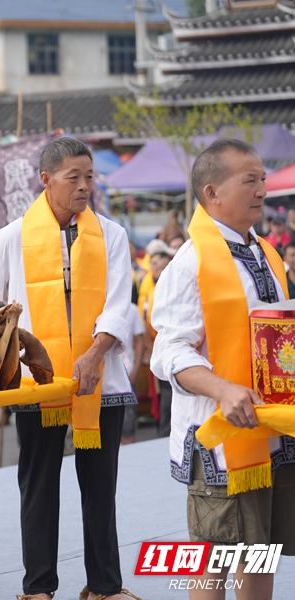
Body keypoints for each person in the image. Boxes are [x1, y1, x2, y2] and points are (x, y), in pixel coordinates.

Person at [0, 138, 138, 600]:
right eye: (75, 177)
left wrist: (94, 352)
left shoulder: (111, 234)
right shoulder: (9, 238)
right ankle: (38, 588)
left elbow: (119, 303)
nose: (86, 185)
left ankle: (105, 586)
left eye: (90, 176)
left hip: (98, 377)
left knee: (100, 487)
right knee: (39, 484)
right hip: (35, 382)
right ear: (46, 180)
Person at [151, 139, 295, 599]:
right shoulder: (190, 262)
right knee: (214, 557)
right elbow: (168, 352)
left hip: (268, 430)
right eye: (249, 180)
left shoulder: (267, 254)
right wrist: (223, 388)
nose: (261, 190)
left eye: (262, 180)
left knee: (259, 551)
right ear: (212, 193)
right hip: (221, 434)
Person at [138, 239, 176, 438]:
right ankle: (163, 431)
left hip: (173, 344)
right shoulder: (147, 288)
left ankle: (170, 431)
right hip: (155, 345)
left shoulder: (174, 286)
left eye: (161, 266)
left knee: (172, 392)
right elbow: (144, 317)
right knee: (162, 392)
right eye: (153, 265)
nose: (156, 269)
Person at [122, 285, 146, 445]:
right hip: (104, 376)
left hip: (128, 372)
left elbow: (140, 342)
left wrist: (136, 369)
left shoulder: (132, 310)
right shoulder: (96, 308)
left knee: (128, 422)